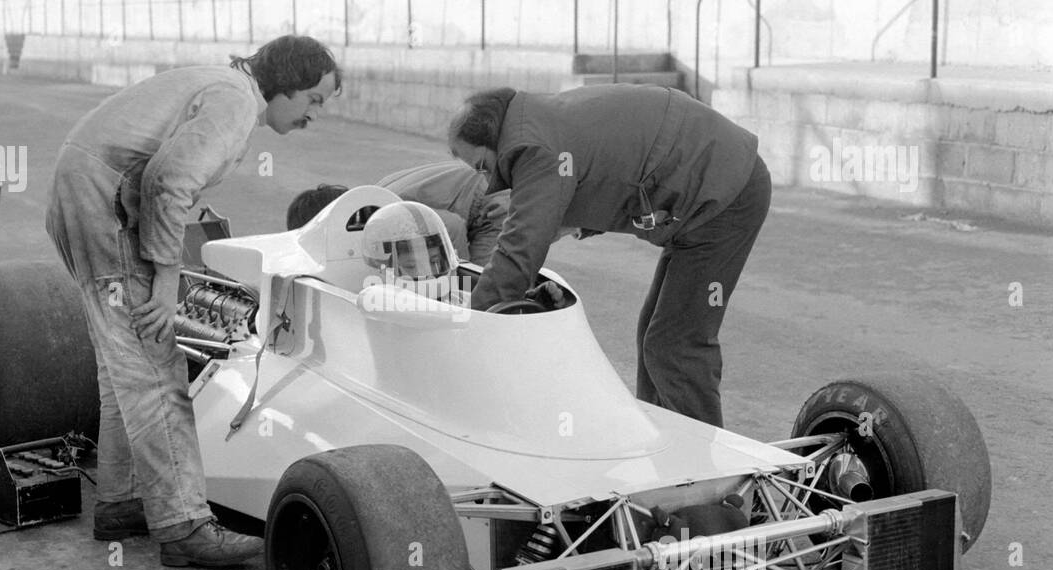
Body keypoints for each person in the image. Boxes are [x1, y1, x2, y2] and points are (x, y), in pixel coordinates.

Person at [45, 35, 341, 567]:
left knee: (124, 369)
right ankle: (183, 525)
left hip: (84, 194)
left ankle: (122, 499)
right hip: (103, 203)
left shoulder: (223, 87)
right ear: (287, 86)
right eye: (313, 100)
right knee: (157, 368)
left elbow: (164, 175)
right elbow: (168, 180)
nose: (313, 116)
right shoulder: (234, 102)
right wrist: (164, 277)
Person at [447, 83, 769, 429]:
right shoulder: (538, 123)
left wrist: (471, 328)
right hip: (705, 190)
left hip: (725, 195)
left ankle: (707, 469)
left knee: (675, 345)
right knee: (655, 336)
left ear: (495, 138)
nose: (487, 180)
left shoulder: (532, 146)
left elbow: (519, 250)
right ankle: (668, 447)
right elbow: (603, 171)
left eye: (483, 165)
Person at [284, 161, 508, 267]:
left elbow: (453, 226)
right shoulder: (372, 205)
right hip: (480, 189)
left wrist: (454, 278)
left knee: (481, 295)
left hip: (491, 203)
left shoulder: (390, 218)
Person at [360, 200, 460, 304]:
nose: (426, 274)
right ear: (382, 269)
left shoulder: (462, 301)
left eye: (435, 262)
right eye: (411, 266)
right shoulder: (371, 308)